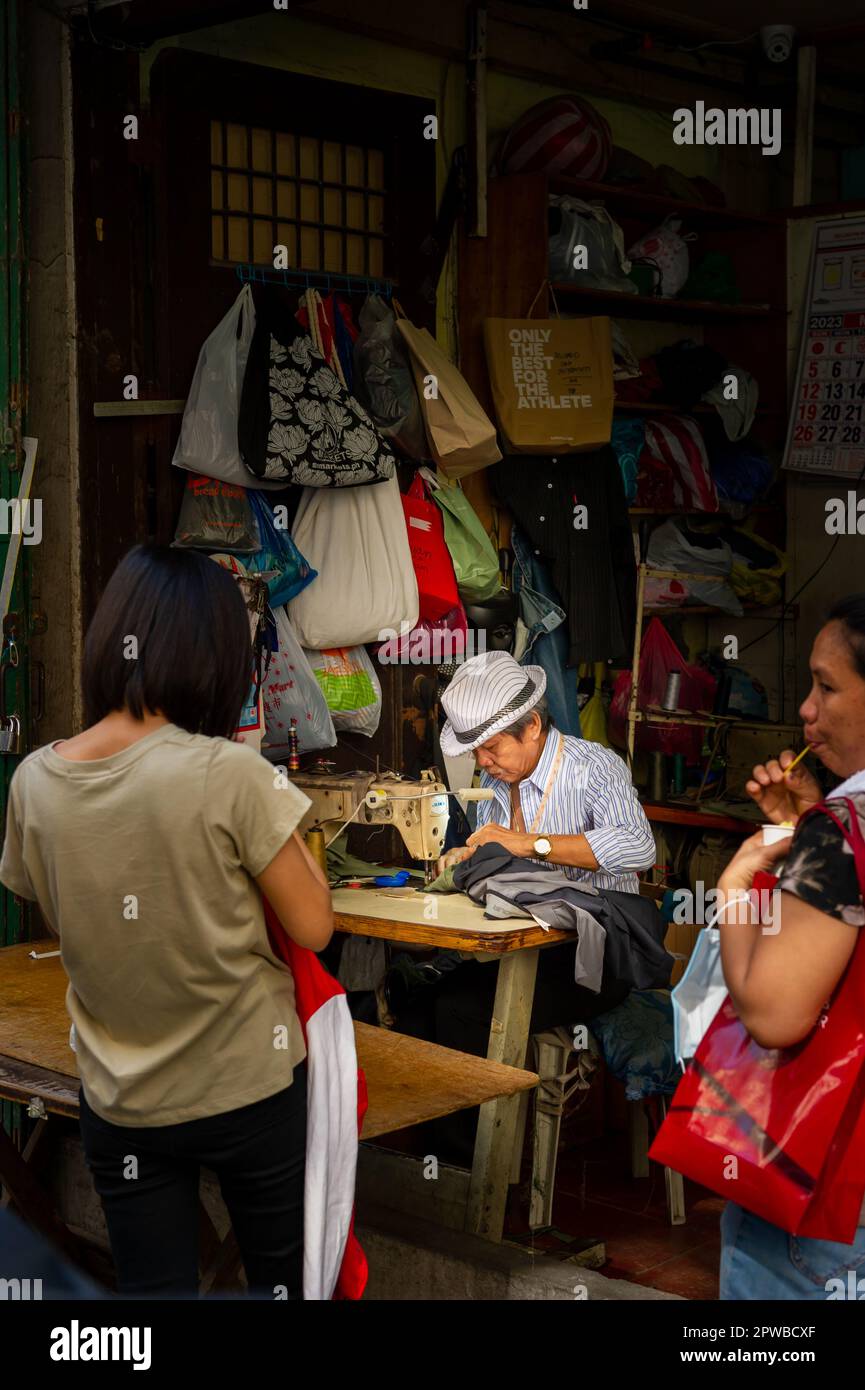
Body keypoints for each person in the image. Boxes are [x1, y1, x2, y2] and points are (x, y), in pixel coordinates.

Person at [0, 545, 333, 1298]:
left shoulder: (35, 781)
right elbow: (313, 926)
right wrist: (290, 826)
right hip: (247, 1087)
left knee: (153, 1297)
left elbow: (59, 912)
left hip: (122, 1097)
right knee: (280, 1283)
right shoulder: (230, 773)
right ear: (216, 656)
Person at [396, 652, 661, 1162]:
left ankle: (475, 1173)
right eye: (475, 751)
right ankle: (434, 1164)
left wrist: (529, 844)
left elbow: (638, 847)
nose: (482, 761)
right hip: (528, 948)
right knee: (419, 999)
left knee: (461, 1010)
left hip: (598, 958)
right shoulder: (494, 787)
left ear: (532, 725)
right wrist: (468, 858)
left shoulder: (594, 768)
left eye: (490, 747)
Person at [711, 594, 865, 1300]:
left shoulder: (844, 830)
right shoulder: (832, 828)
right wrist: (806, 829)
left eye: (826, 686)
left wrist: (739, 881)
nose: (805, 708)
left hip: (827, 1186)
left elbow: (773, 1015)